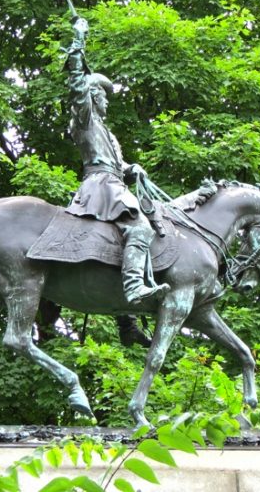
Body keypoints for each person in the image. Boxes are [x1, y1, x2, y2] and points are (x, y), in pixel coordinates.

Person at [63, 16, 170, 306]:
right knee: (141, 229)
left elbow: (114, 164)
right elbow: (76, 85)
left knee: (121, 242)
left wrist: (130, 169)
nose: (108, 102)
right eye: (105, 96)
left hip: (113, 182)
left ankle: (128, 323)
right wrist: (78, 40)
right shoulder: (85, 119)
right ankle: (135, 287)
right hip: (101, 187)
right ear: (94, 96)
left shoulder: (107, 133)